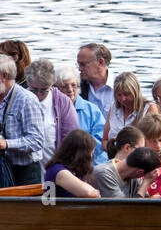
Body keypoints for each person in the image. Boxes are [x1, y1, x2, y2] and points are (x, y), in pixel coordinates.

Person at [0, 52, 45, 186]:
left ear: (4, 76)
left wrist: (6, 144)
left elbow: (37, 140)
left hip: (25, 173)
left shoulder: (27, 100)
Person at [25, 59, 78, 168]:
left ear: (51, 85)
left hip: (53, 166)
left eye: (44, 90)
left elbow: (70, 139)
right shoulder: (20, 98)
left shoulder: (63, 102)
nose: (38, 94)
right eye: (34, 90)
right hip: (26, 167)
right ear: (28, 83)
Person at [54, 63, 108, 165]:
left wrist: (78, 152)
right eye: (64, 86)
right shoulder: (52, 110)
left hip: (91, 164)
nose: (70, 90)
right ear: (56, 88)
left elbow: (101, 141)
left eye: (73, 85)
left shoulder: (91, 110)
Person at [44, 130, 100, 198]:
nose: (91, 157)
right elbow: (87, 192)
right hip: (57, 205)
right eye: (91, 153)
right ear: (82, 154)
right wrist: (96, 193)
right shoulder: (58, 170)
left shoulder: (73, 170)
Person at [103, 72, 148, 151]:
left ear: (135, 92)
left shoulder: (148, 109)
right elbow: (105, 140)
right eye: (119, 95)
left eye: (126, 94)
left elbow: (152, 143)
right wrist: (113, 151)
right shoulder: (114, 107)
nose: (123, 99)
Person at [76, 43, 116, 116]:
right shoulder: (74, 85)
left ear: (100, 62)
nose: (79, 69)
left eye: (83, 64)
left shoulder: (121, 86)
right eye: (78, 64)